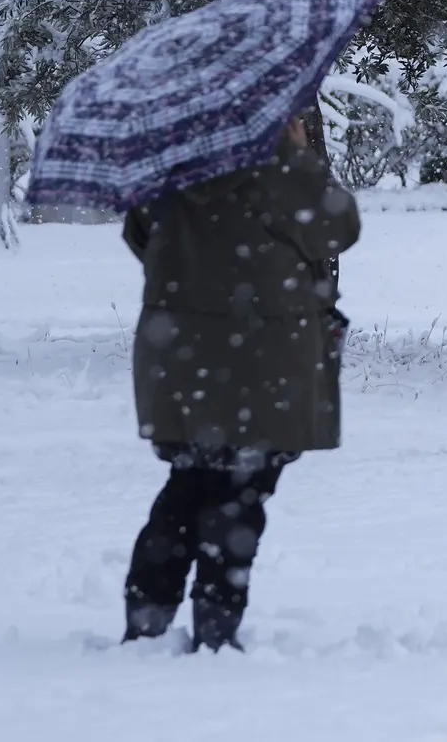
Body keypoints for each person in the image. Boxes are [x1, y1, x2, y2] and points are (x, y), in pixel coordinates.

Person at [120, 114, 359, 651]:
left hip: (180, 358)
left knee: (188, 486)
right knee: (238, 492)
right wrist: (298, 156)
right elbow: (337, 230)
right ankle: (215, 627)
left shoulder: (167, 165)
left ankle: (148, 617)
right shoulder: (273, 166)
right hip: (263, 364)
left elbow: (142, 238)